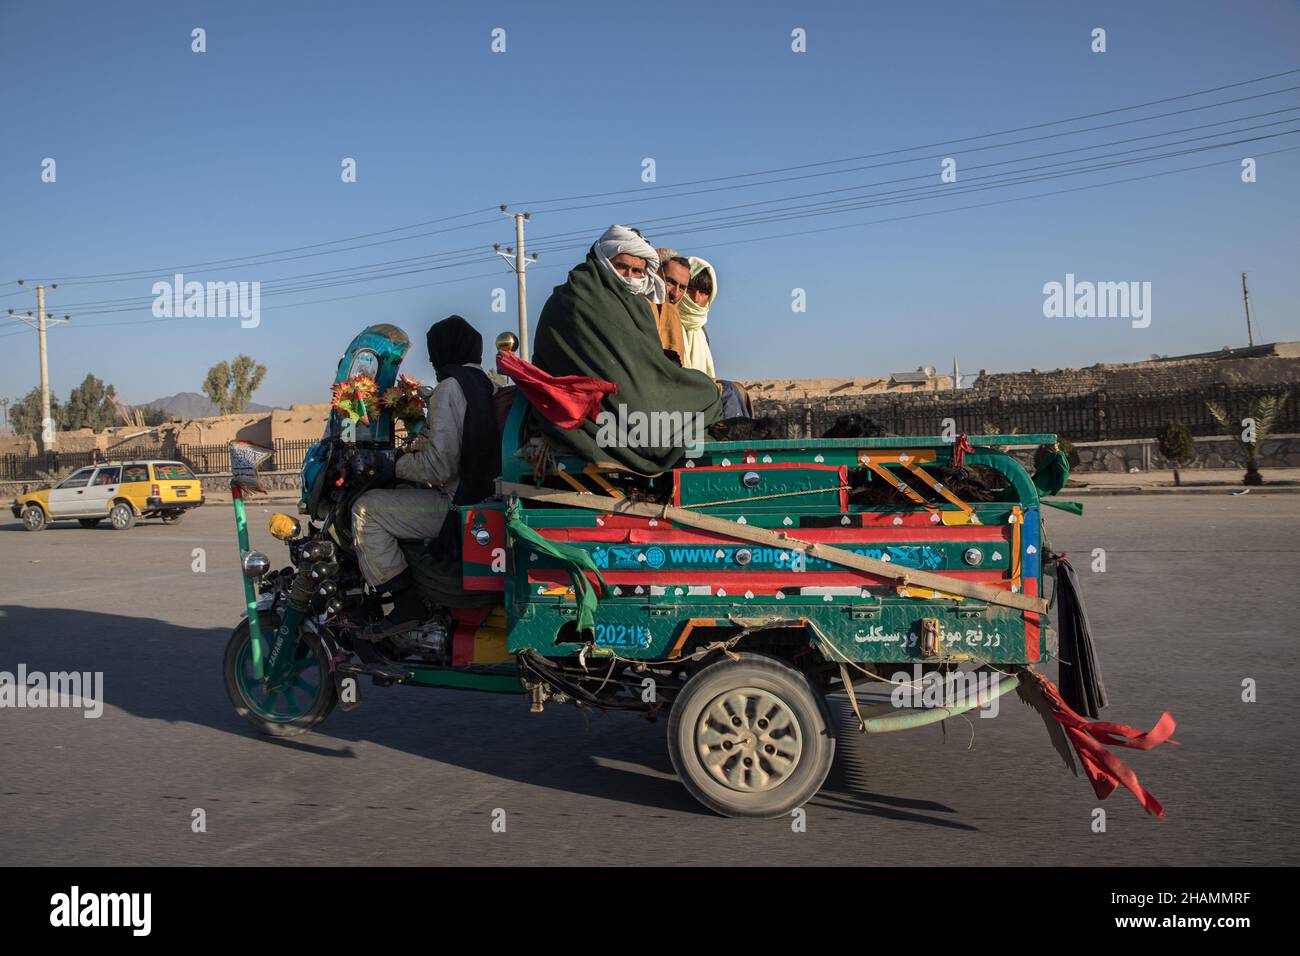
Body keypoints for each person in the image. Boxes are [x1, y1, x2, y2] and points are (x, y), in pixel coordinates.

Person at [530, 225, 723, 473]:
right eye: (621, 266)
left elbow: (646, 362)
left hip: (629, 399)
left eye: (637, 270)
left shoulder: (634, 302)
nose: (629, 275)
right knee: (706, 394)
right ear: (604, 259)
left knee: (706, 388)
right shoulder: (575, 299)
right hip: (606, 407)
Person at [351, 315, 499, 631]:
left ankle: (407, 604)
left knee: (367, 510)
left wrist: (393, 464)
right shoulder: (488, 384)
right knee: (400, 497)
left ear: (446, 351)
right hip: (488, 498)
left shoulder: (449, 388)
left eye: (434, 355)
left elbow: (440, 466)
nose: (433, 363)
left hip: (461, 503)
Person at [678, 256, 718, 377]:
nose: (695, 299)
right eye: (690, 289)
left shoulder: (702, 333)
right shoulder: (662, 320)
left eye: (703, 292)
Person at [651, 247, 688, 364]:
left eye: (682, 288)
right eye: (670, 282)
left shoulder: (675, 320)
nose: (675, 293)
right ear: (656, 276)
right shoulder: (639, 309)